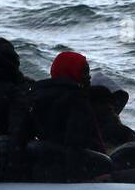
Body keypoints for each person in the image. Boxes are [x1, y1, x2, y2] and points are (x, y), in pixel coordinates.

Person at [13, 49, 110, 182]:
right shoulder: (76, 98)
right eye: (85, 72)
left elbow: (22, 135)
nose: (88, 77)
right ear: (72, 73)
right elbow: (76, 142)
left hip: (41, 159)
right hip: (68, 165)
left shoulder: (35, 95)